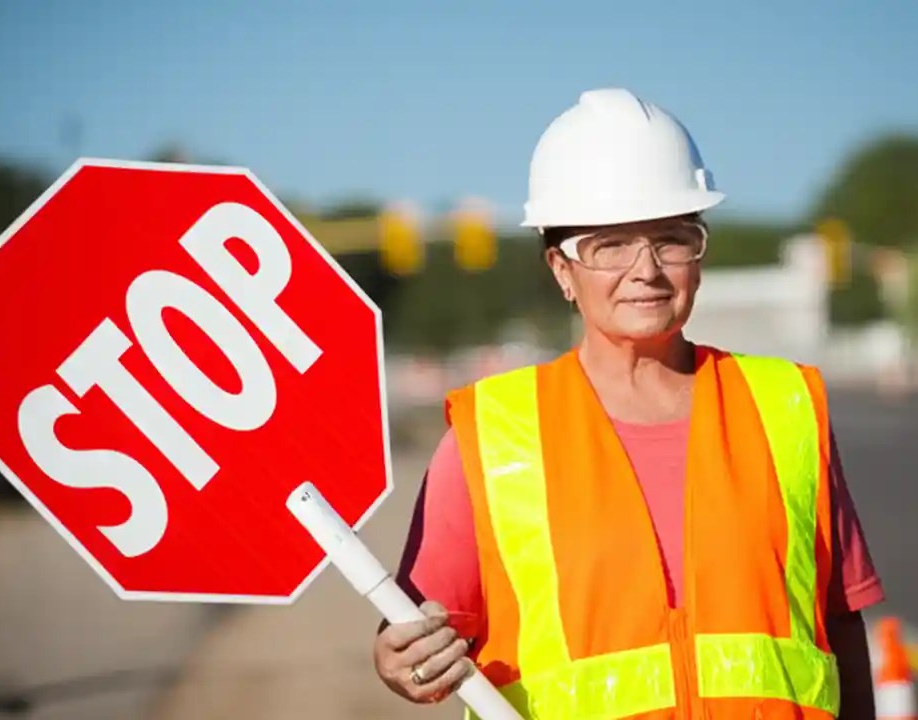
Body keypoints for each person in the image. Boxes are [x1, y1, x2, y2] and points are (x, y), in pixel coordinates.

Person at [372, 88, 885, 719]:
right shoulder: (493, 435)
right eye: (609, 245)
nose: (646, 269)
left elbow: (840, 625)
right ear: (561, 268)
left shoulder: (785, 407)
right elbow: (416, 633)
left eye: (671, 238)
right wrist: (401, 663)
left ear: (700, 254)